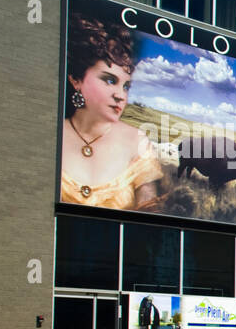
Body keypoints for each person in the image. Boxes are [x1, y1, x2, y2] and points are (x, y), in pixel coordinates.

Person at [60, 12, 164, 211]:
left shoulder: (137, 142)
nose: (120, 95)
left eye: (126, 86)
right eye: (109, 80)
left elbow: (150, 220)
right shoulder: (52, 134)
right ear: (76, 80)